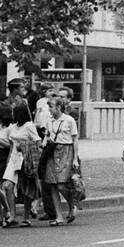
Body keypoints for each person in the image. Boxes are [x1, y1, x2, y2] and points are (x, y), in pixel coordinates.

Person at [41, 93, 79, 226]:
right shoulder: (49, 121)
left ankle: (71, 204)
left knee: (62, 184)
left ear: (58, 107)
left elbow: (75, 139)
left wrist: (75, 158)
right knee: (52, 185)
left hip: (66, 151)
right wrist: (45, 141)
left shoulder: (69, 120)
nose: (49, 109)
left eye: (51, 107)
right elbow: (47, 134)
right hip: (52, 151)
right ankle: (59, 216)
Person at [4, 100, 42, 227]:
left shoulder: (29, 126)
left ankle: (25, 217)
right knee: (7, 185)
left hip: (25, 159)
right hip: (14, 159)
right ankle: (12, 215)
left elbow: (37, 142)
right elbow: (11, 145)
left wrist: (25, 146)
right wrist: (8, 160)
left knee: (26, 188)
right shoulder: (12, 127)